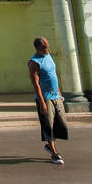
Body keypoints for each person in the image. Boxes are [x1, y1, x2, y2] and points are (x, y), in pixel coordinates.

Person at [28, 36, 67, 165]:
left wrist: (59, 93)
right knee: (48, 126)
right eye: (44, 47)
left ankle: (50, 145)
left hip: (56, 96)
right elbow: (36, 84)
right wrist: (42, 102)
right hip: (45, 98)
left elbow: (53, 76)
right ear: (37, 48)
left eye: (47, 46)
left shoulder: (48, 56)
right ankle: (54, 153)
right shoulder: (34, 62)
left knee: (60, 125)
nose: (47, 49)